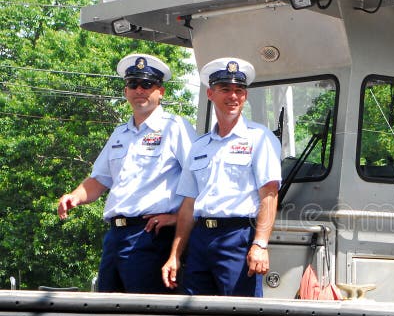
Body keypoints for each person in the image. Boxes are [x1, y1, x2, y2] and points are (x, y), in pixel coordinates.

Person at [57, 54, 196, 293]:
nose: (139, 90)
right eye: (133, 84)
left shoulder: (176, 128)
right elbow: (99, 180)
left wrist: (177, 218)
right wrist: (75, 196)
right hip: (115, 236)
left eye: (147, 84)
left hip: (152, 236)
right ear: (125, 91)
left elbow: (199, 179)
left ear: (160, 91)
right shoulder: (120, 134)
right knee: (107, 314)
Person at [161, 58, 281, 297]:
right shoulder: (199, 146)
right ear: (210, 93)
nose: (233, 96)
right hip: (201, 239)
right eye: (225, 89)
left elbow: (269, 195)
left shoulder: (260, 138)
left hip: (237, 238)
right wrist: (175, 255)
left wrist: (259, 244)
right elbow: (188, 206)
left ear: (245, 96)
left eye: (239, 91)